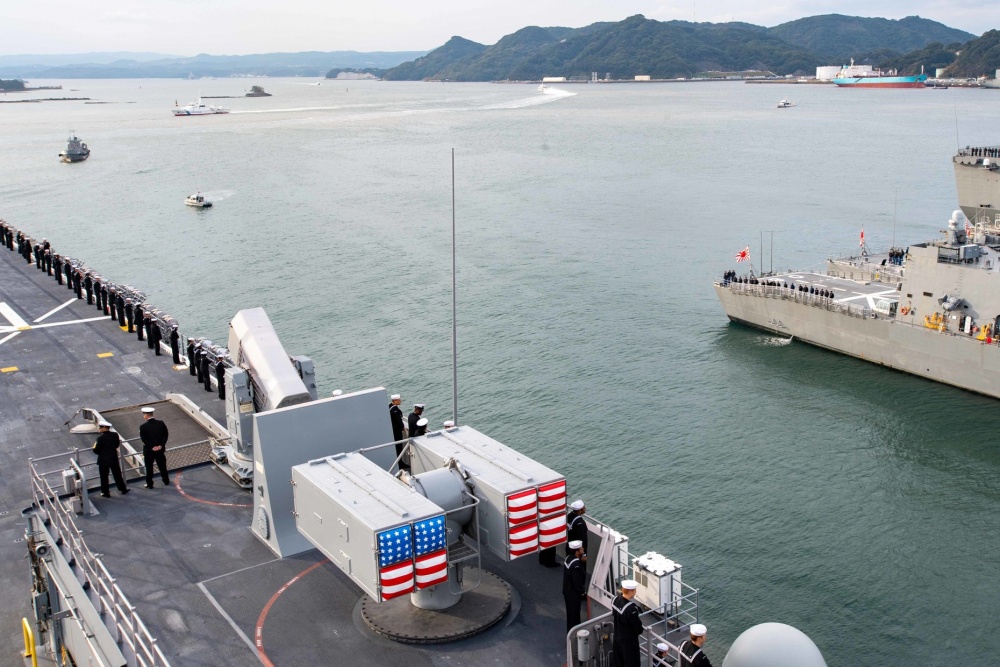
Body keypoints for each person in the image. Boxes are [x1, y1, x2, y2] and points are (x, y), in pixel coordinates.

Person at [611, 580, 643, 667]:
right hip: (629, 643)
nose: (635, 592)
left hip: (617, 638)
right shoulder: (631, 609)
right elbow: (638, 629)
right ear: (630, 592)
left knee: (618, 662)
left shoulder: (615, 599)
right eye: (634, 590)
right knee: (631, 663)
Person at [92, 421, 129, 497]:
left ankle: (105, 492)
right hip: (113, 458)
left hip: (103, 460)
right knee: (117, 475)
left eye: (101, 427)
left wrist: (101, 453)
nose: (99, 429)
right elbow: (116, 445)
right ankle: (123, 489)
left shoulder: (99, 438)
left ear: (105, 427)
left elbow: (95, 449)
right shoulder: (115, 435)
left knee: (104, 477)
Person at [138, 407, 170, 488]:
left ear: (145, 415)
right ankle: (166, 480)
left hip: (149, 451)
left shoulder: (143, 427)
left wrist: (152, 447)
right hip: (160, 450)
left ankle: (150, 484)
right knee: (162, 466)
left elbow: (144, 439)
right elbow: (165, 435)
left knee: (149, 468)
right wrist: (160, 445)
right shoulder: (161, 423)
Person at [562, 539, 587, 632]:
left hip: (567, 591)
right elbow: (577, 582)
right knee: (574, 615)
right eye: (581, 549)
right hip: (573, 594)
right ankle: (574, 635)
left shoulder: (568, 558)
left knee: (570, 614)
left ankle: (571, 632)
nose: (583, 549)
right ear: (577, 552)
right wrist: (583, 592)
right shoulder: (576, 565)